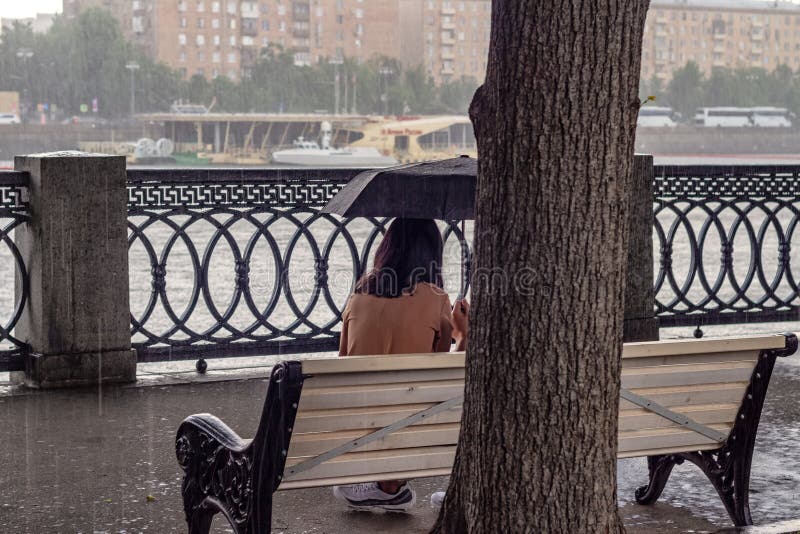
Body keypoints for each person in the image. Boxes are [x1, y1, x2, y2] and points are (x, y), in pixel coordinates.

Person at [331, 218, 469, 512]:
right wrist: (465, 333)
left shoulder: (358, 296)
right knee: (424, 397)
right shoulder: (437, 299)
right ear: (432, 255)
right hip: (412, 431)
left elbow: (343, 362)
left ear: (387, 249)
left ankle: (387, 487)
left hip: (356, 424)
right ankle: (390, 485)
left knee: (387, 396)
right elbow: (443, 374)